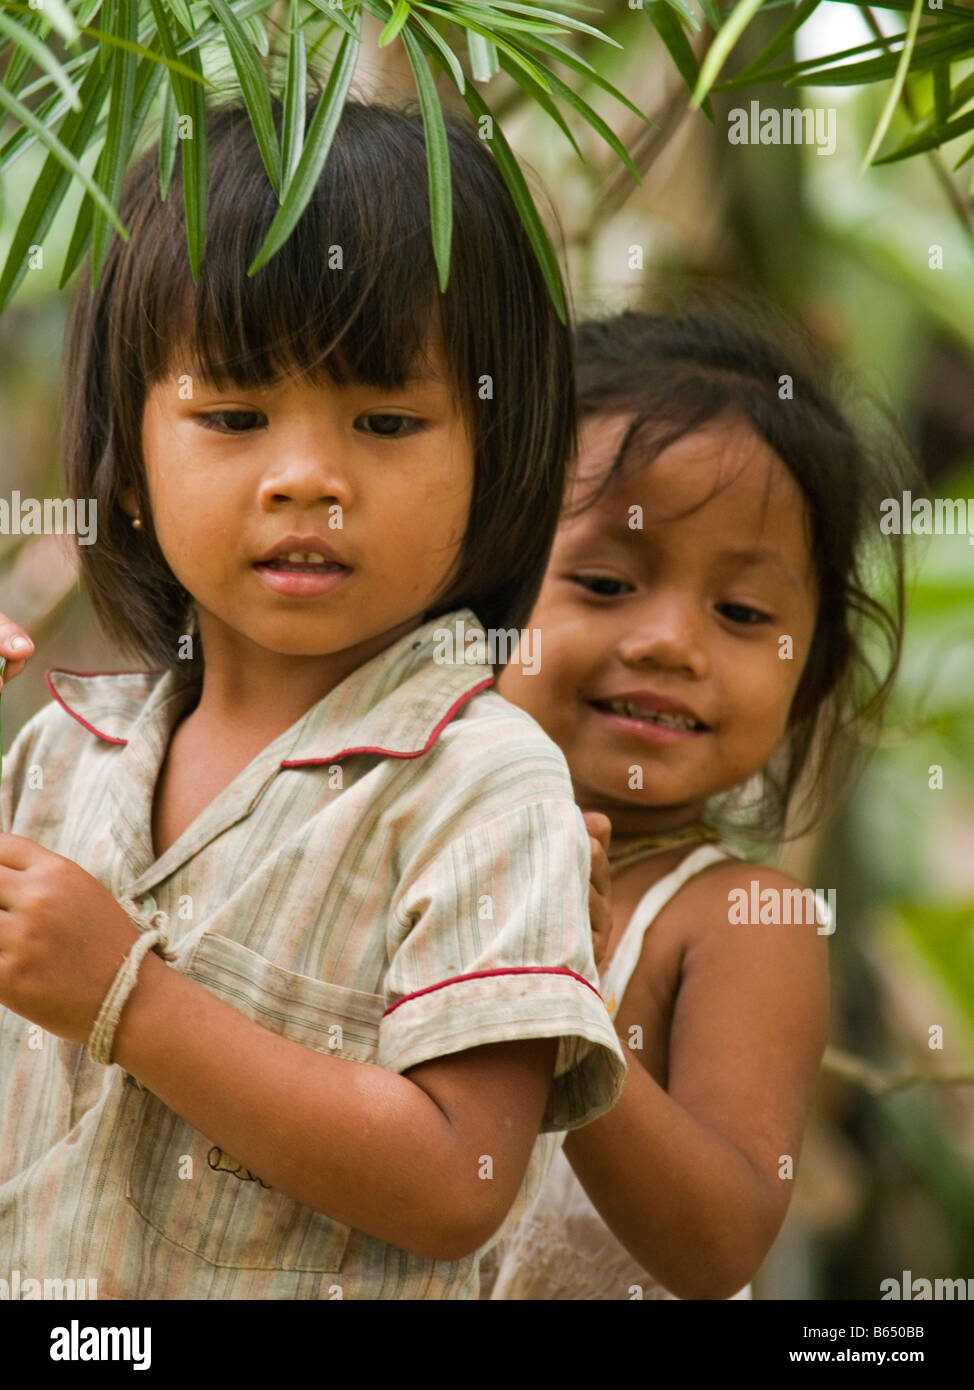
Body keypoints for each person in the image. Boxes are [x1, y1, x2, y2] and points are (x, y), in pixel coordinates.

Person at [0, 94, 626, 1300]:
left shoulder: (477, 782)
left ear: (495, 459)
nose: (306, 480)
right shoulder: (59, 758)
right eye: (231, 417)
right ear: (125, 466)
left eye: (386, 421)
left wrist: (131, 996)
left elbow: (463, 1172)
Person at [482, 299, 913, 1299]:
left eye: (740, 612)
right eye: (601, 580)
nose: (671, 641)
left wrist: (561, 1001)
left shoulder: (738, 923)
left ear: (809, 672)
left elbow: (717, 1241)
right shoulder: (402, 823)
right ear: (485, 589)